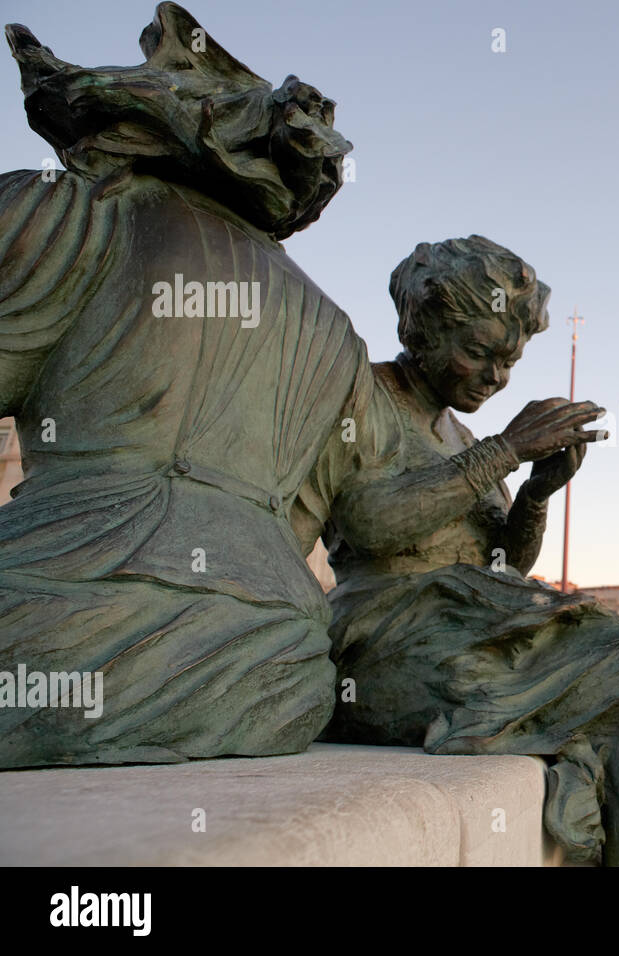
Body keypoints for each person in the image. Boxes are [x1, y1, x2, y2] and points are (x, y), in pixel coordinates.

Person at [293, 236, 619, 866]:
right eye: (479, 353)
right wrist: (505, 450)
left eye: (509, 362)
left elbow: (506, 562)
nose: (496, 378)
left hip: (469, 619)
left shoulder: (461, 432)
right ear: (422, 327)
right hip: (388, 633)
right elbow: (370, 522)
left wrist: (534, 492)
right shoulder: (361, 398)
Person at [0, 5, 363, 766]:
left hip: (56, 615)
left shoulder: (74, 212)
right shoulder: (333, 329)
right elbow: (319, 525)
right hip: (280, 664)